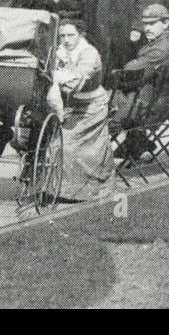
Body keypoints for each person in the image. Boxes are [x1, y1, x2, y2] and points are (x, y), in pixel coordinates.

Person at [45, 18, 114, 202]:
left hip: (92, 109)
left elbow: (78, 78)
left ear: (80, 35)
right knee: (54, 142)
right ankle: (60, 189)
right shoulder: (60, 53)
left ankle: (81, 191)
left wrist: (58, 76)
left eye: (70, 35)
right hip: (73, 106)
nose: (66, 40)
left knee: (66, 144)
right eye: (62, 36)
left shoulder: (89, 53)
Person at [113, 3, 169, 161]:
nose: (147, 28)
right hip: (150, 104)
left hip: (147, 109)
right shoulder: (162, 45)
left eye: (152, 23)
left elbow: (130, 70)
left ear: (165, 23)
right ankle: (139, 146)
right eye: (145, 24)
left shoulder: (160, 50)